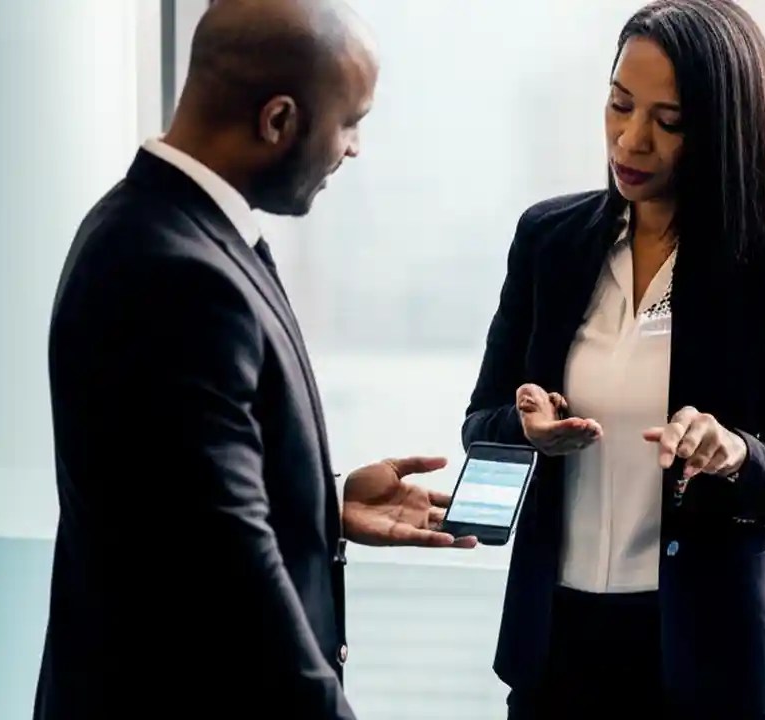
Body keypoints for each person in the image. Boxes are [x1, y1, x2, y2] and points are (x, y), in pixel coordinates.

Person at [35, 2, 474, 718]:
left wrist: (323, 504)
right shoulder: (172, 271)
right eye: (350, 121)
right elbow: (225, 574)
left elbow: (173, 499)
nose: (354, 148)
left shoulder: (164, 229)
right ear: (277, 121)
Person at [462, 1, 765, 718]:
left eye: (668, 122)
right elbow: (480, 423)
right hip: (557, 651)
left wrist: (736, 455)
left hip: (714, 662)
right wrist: (527, 432)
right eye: (619, 105)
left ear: (722, 129)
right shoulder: (550, 243)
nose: (631, 141)